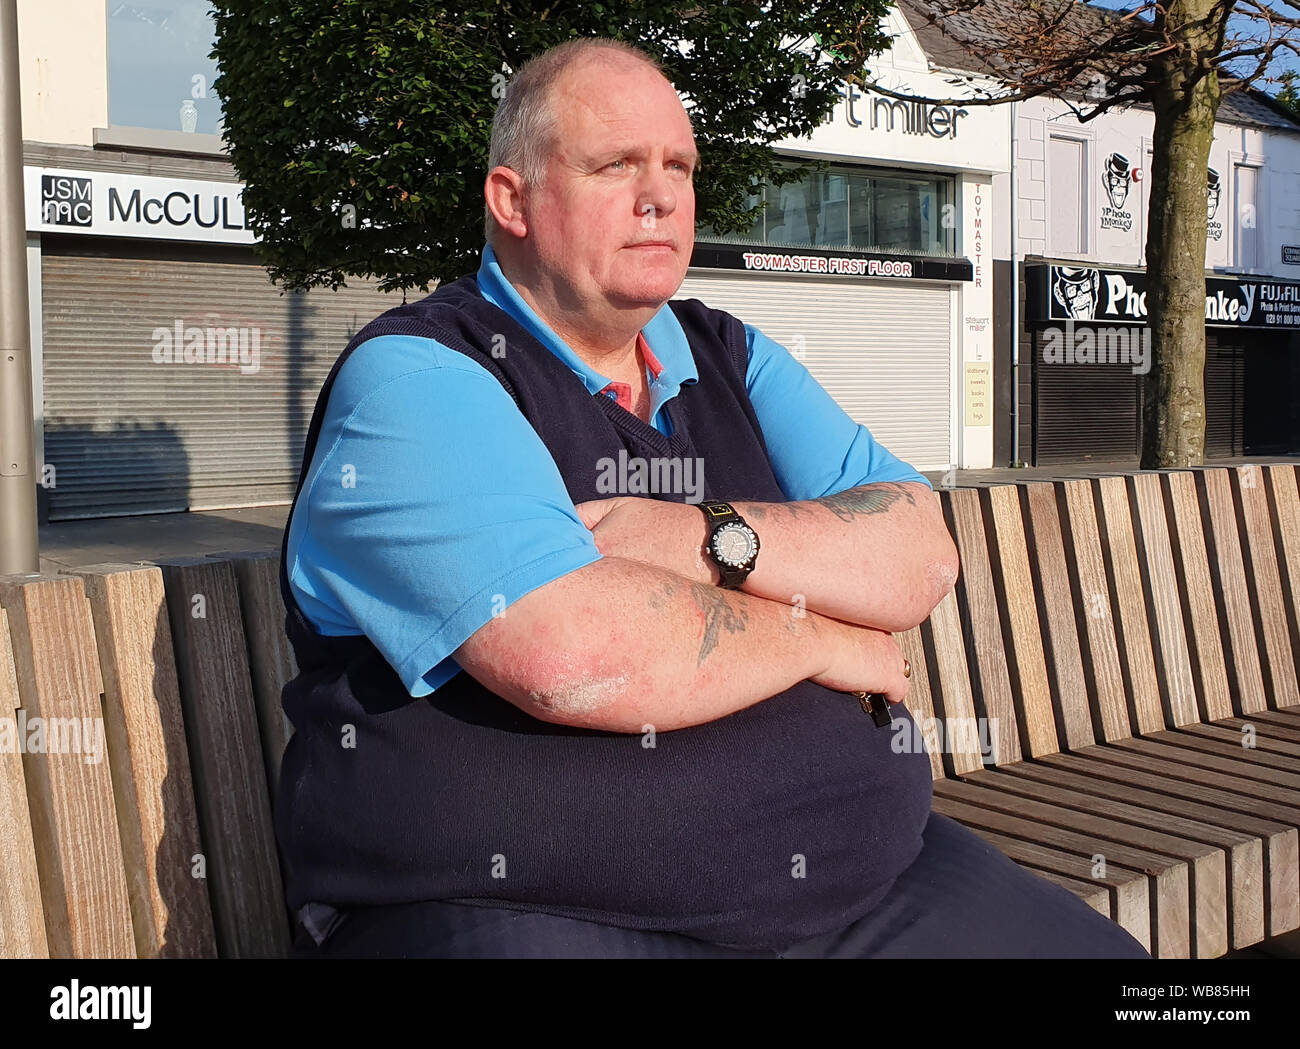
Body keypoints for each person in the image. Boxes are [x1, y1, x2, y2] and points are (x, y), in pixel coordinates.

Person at [276, 37, 1149, 959]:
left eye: (679, 166)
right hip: (530, 908)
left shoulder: (729, 354)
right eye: (615, 164)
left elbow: (920, 546)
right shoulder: (418, 375)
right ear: (513, 200)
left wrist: (704, 538)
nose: (660, 195)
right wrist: (824, 634)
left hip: (865, 876)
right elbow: (572, 650)